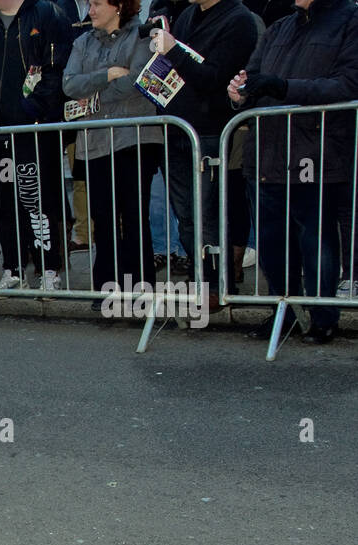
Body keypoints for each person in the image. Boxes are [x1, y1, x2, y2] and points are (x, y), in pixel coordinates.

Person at [229, 0, 358, 344]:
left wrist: (281, 86)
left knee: (316, 240)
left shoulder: (350, 20)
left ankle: (322, 317)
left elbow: (347, 86)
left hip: (316, 150)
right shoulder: (279, 28)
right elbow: (254, 79)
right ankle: (283, 312)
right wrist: (240, 94)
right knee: (272, 244)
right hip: (268, 152)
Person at [0, 0, 74, 291]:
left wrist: (31, 110)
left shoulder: (47, 14)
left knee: (38, 200)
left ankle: (49, 268)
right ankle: (13, 267)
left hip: (32, 130)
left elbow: (56, 69)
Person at [151, 0, 258, 307]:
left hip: (210, 130)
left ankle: (216, 286)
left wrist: (173, 50)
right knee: (186, 214)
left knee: (209, 213)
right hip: (177, 127)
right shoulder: (188, 15)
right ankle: (201, 279)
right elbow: (176, 69)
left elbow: (213, 78)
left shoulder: (239, 19)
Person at [63, 0, 163, 293]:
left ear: (118, 6)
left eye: (96, 4)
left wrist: (93, 97)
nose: (90, 10)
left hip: (135, 139)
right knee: (103, 218)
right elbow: (69, 84)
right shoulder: (83, 41)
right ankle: (107, 287)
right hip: (94, 142)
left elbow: (138, 80)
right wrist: (106, 75)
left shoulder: (144, 35)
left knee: (134, 216)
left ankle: (139, 288)